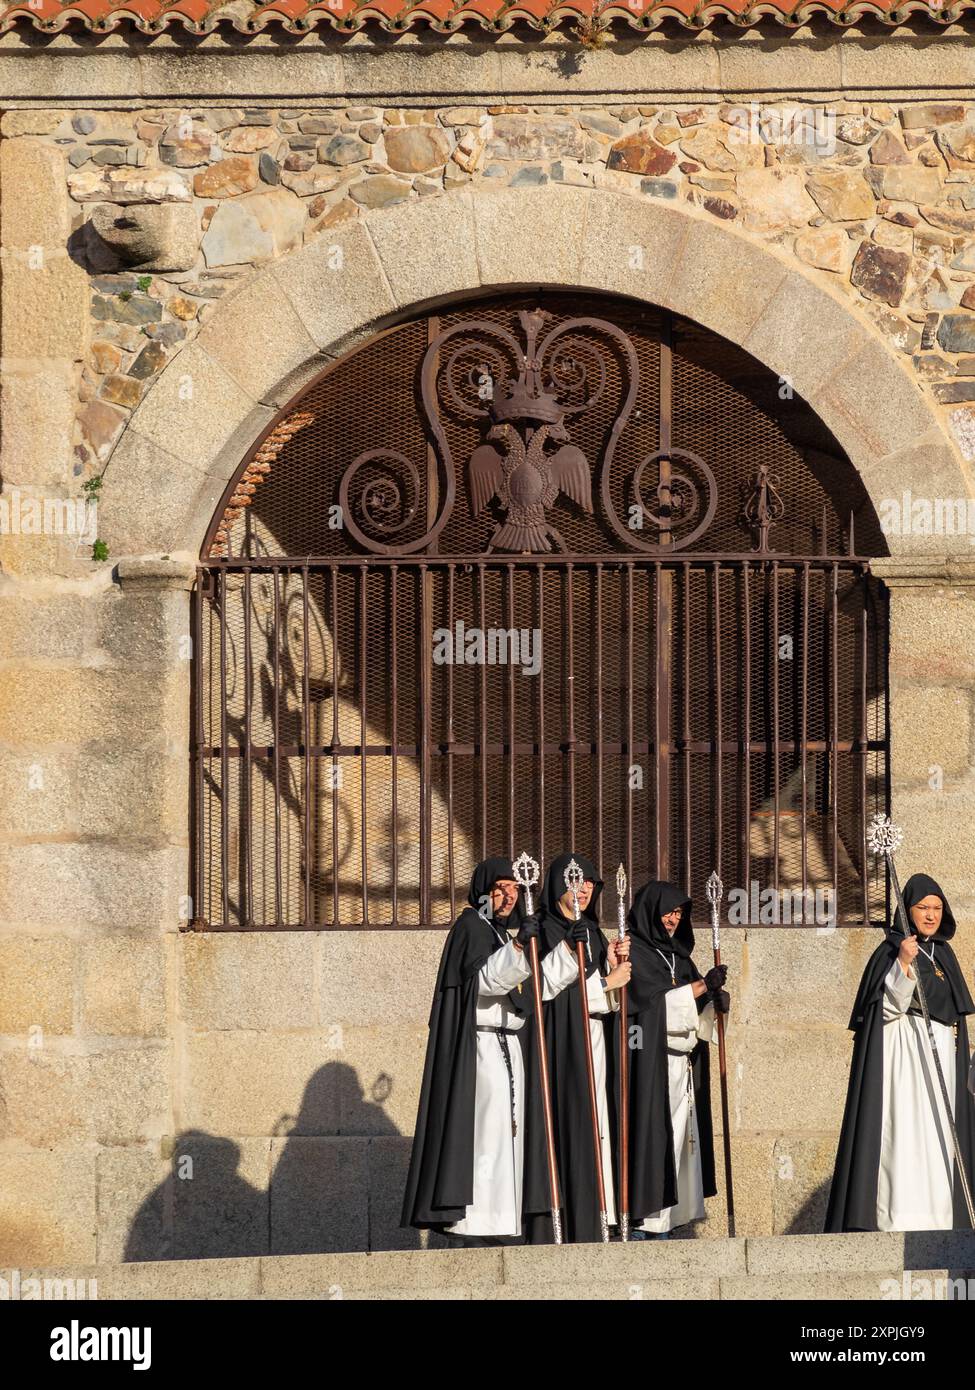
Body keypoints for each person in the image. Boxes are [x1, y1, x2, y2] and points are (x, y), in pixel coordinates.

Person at [400, 855, 553, 1245]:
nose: (508, 897)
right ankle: (473, 1224)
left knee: (508, 1136)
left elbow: (533, 989)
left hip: (509, 1046)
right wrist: (519, 945)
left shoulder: (503, 934)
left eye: (514, 890)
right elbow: (483, 983)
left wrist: (566, 957)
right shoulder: (471, 925)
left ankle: (502, 1222)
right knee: (484, 1136)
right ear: (484, 891)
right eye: (500, 889)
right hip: (480, 1047)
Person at [825, 872, 975, 1233]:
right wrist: (903, 965)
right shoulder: (891, 951)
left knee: (939, 1137)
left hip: (941, 1057)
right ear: (907, 911)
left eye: (937, 908)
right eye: (923, 907)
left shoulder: (945, 955)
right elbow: (884, 1011)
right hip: (906, 1058)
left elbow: (955, 1015)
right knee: (906, 1134)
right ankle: (901, 1218)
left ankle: (941, 1219)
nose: (930, 915)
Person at [522, 851, 631, 1244]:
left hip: (596, 1042)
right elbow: (542, 993)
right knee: (574, 1125)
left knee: (599, 1125)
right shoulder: (546, 930)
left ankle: (601, 1218)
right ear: (559, 885)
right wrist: (605, 984)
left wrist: (613, 967)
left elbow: (610, 991)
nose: (584, 889)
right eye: (577, 881)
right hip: (562, 1048)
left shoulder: (594, 932)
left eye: (589, 883)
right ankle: (572, 1223)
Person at [621, 880, 726, 1239]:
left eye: (679, 913)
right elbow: (651, 1005)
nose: (672, 919)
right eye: (667, 911)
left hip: (683, 1064)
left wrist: (714, 1003)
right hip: (651, 1064)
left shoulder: (680, 957)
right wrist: (701, 988)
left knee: (683, 1142)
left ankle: (672, 1219)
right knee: (657, 1141)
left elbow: (694, 1003)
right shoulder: (633, 950)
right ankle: (648, 1224)